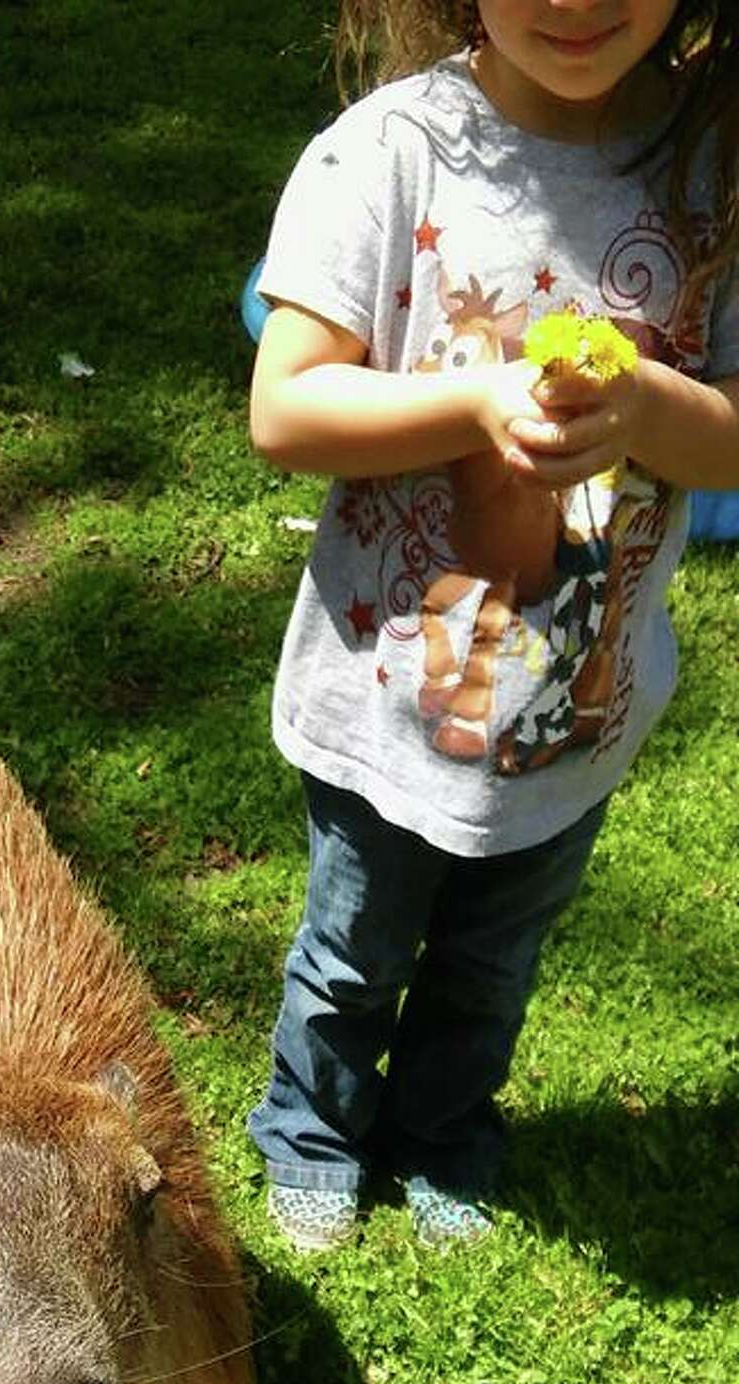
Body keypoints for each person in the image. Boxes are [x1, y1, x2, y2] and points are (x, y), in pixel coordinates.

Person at [247, 0, 739, 1249]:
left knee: (491, 961)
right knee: (354, 950)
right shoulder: (387, 152)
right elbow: (287, 407)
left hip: (584, 702)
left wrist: (641, 413)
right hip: (389, 695)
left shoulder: (715, 169)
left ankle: (443, 1130)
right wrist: (473, 402)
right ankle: (311, 1127)